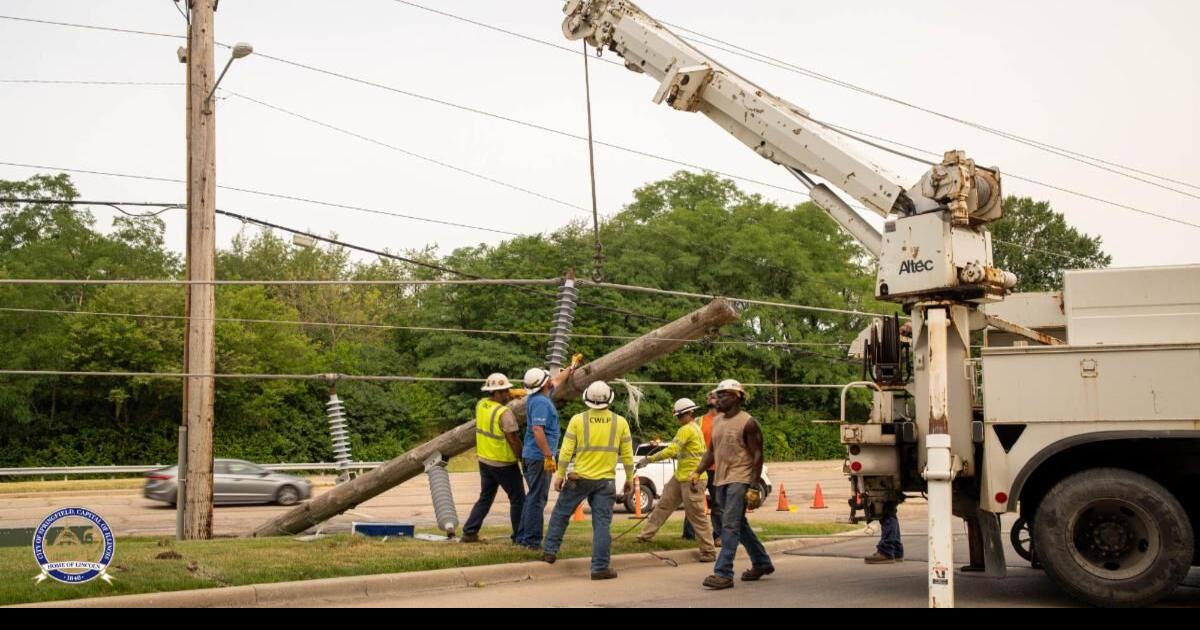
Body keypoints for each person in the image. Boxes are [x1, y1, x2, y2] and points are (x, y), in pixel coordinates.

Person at [539, 381, 634, 580]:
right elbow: (627, 455)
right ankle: (600, 568)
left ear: (588, 399)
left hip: (579, 478)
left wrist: (559, 475)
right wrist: (630, 479)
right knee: (602, 524)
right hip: (606, 481)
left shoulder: (577, 420)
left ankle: (549, 552)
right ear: (609, 399)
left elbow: (566, 451)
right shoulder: (620, 423)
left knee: (561, 514)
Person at [692, 379, 774, 590]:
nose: (718, 399)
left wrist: (754, 486)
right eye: (717, 395)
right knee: (738, 524)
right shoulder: (717, 421)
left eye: (723, 395)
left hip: (740, 478)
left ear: (737, 397)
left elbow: (757, 455)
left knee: (729, 525)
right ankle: (762, 562)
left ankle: (723, 573)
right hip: (721, 478)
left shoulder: (748, 422)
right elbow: (711, 452)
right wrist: (698, 471)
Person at [634, 398, 716, 562]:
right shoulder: (694, 428)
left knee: (697, 516)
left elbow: (672, 450)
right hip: (681, 476)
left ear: (688, 414)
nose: (678, 419)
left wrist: (648, 459)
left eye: (679, 416)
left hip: (692, 479)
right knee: (664, 504)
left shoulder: (687, 430)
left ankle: (708, 551)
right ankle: (645, 536)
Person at [514, 363, 577, 550]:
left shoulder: (539, 395)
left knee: (533, 496)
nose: (550, 379)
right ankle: (531, 541)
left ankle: (522, 537)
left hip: (532, 456)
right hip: (538, 457)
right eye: (546, 377)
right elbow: (537, 429)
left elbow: (557, 380)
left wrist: (571, 367)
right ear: (543, 384)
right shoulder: (541, 402)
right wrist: (548, 455)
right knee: (537, 498)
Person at [461, 373, 526, 543]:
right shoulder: (504, 413)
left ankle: (469, 532)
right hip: (503, 463)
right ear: (496, 393)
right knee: (518, 499)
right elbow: (513, 439)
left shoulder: (481, 404)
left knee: (486, 497)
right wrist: (522, 458)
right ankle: (519, 536)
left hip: (484, 460)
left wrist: (510, 392)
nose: (507, 394)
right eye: (504, 391)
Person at [683, 391, 722, 547]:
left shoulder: (725, 421)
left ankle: (718, 535)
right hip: (698, 469)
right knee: (692, 502)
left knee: (718, 504)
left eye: (715, 396)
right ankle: (688, 534)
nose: (711, 397)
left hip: (717, 469)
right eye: (709, 396)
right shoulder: (698, 421)